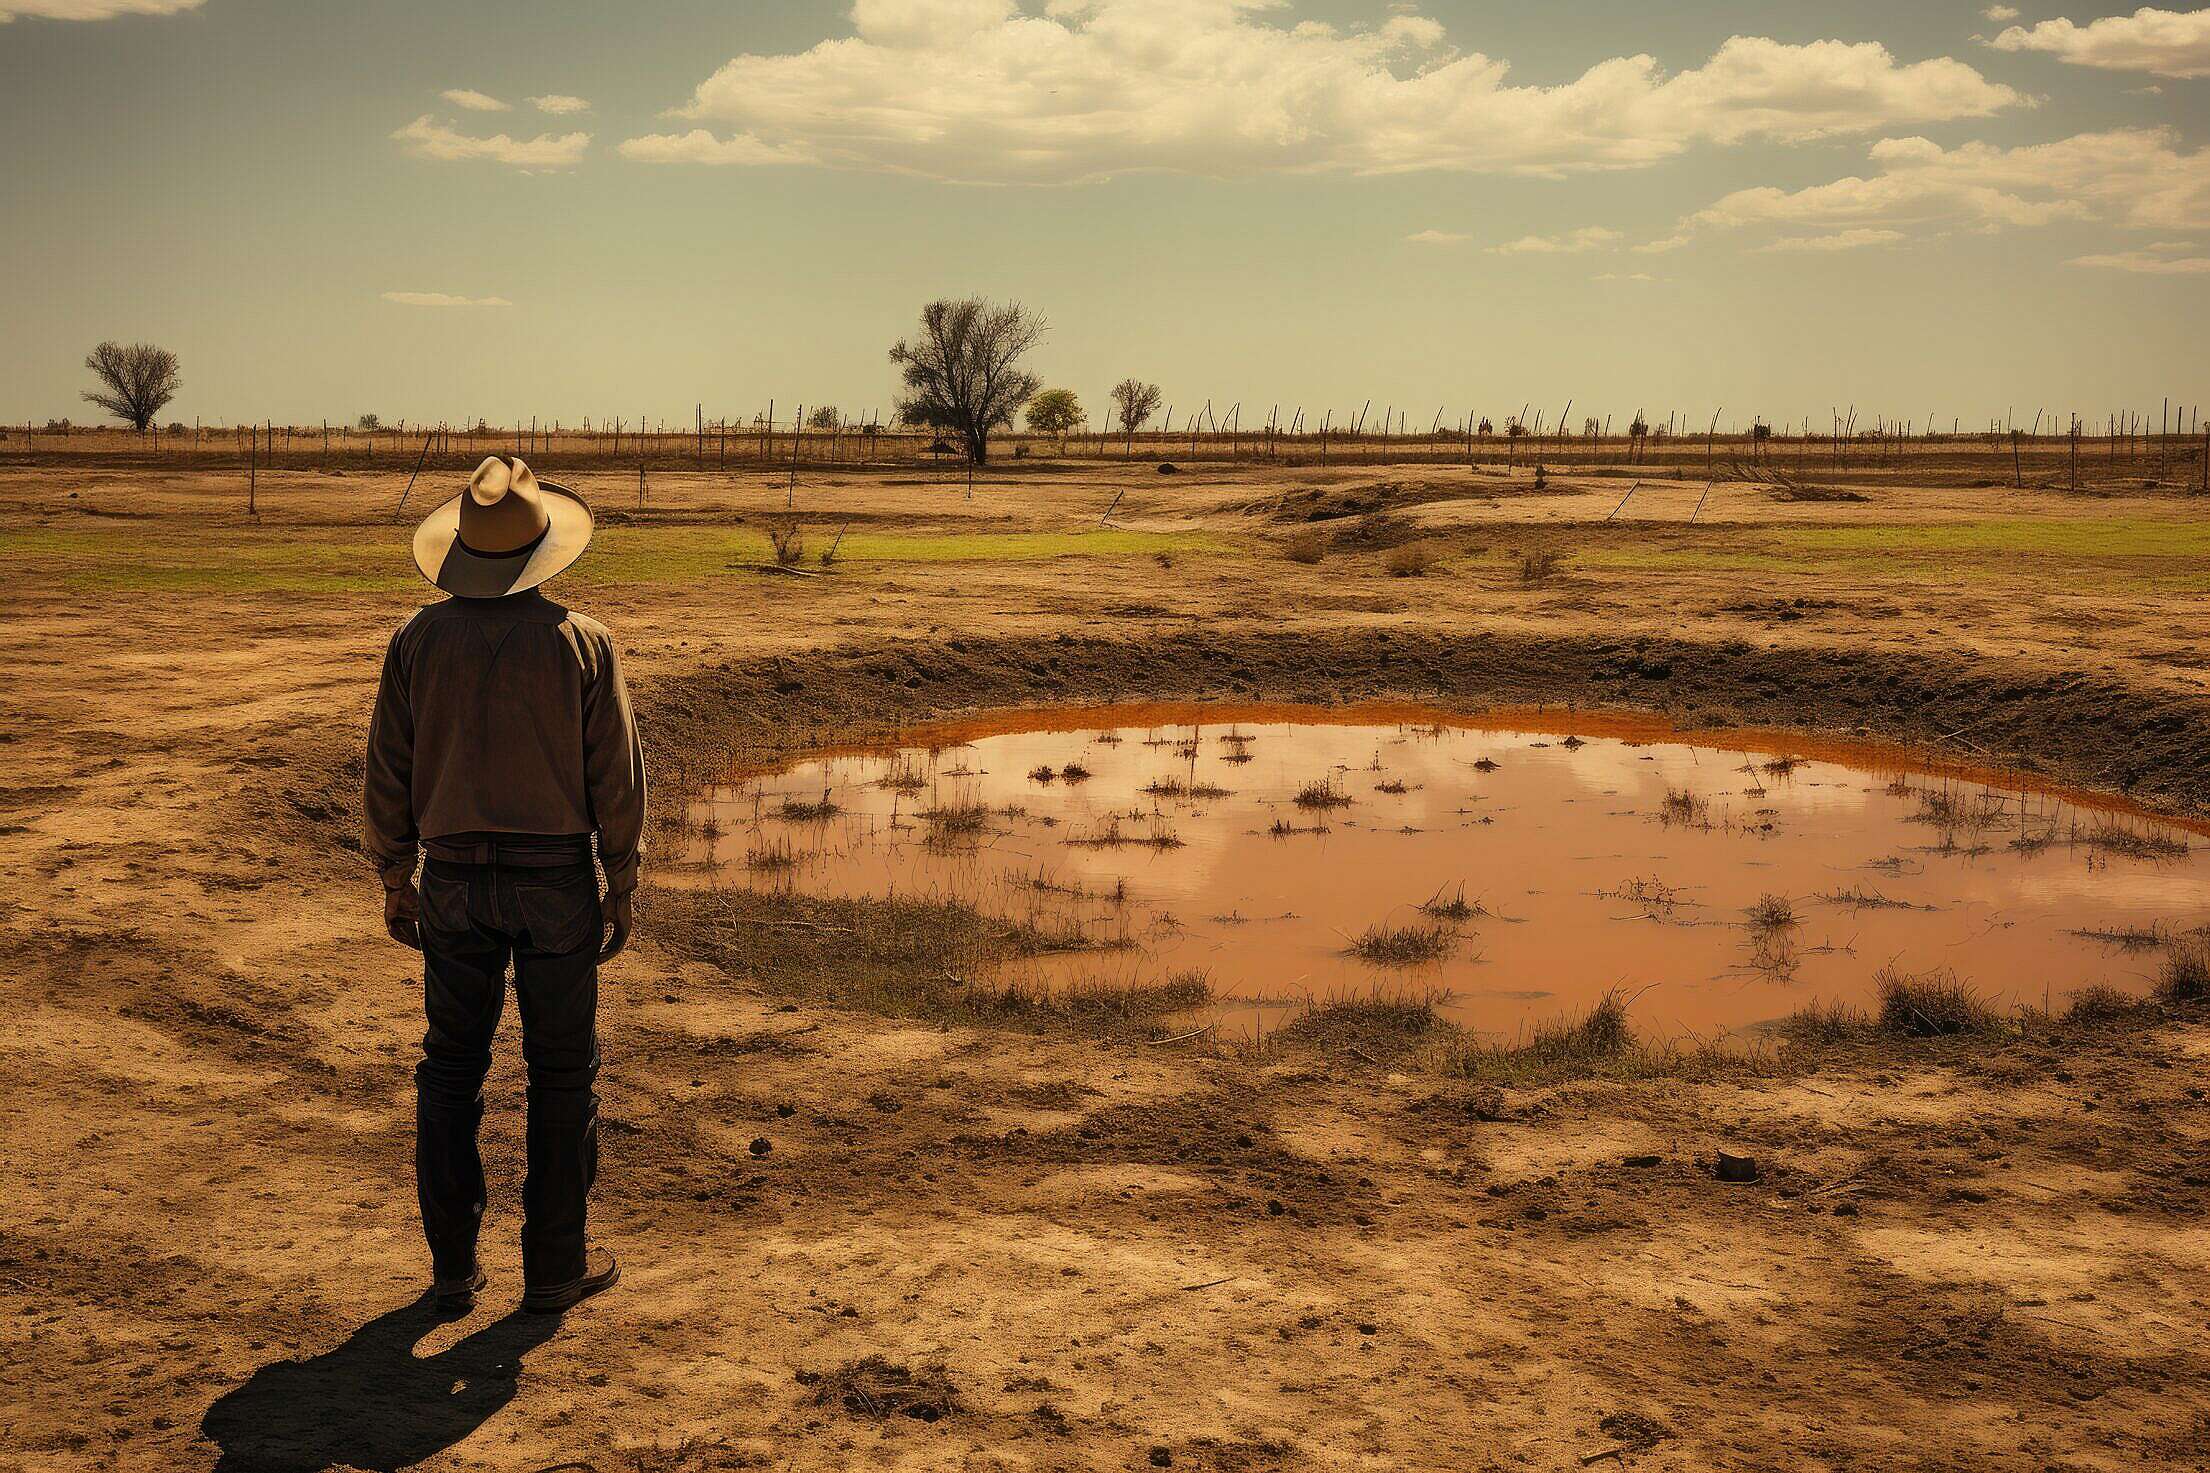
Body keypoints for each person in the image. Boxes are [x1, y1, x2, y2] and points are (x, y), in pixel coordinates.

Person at [364, 455, 644, 1315]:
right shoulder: (582, 641)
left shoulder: (417, 639)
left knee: (450, 1070)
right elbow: (617, 778)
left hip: (451, 878)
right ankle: (554, 1267)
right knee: (562, 1074)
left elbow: (387, 769)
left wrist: (394, 873)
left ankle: (454, 1268)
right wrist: (621, 878)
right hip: (555, 879)